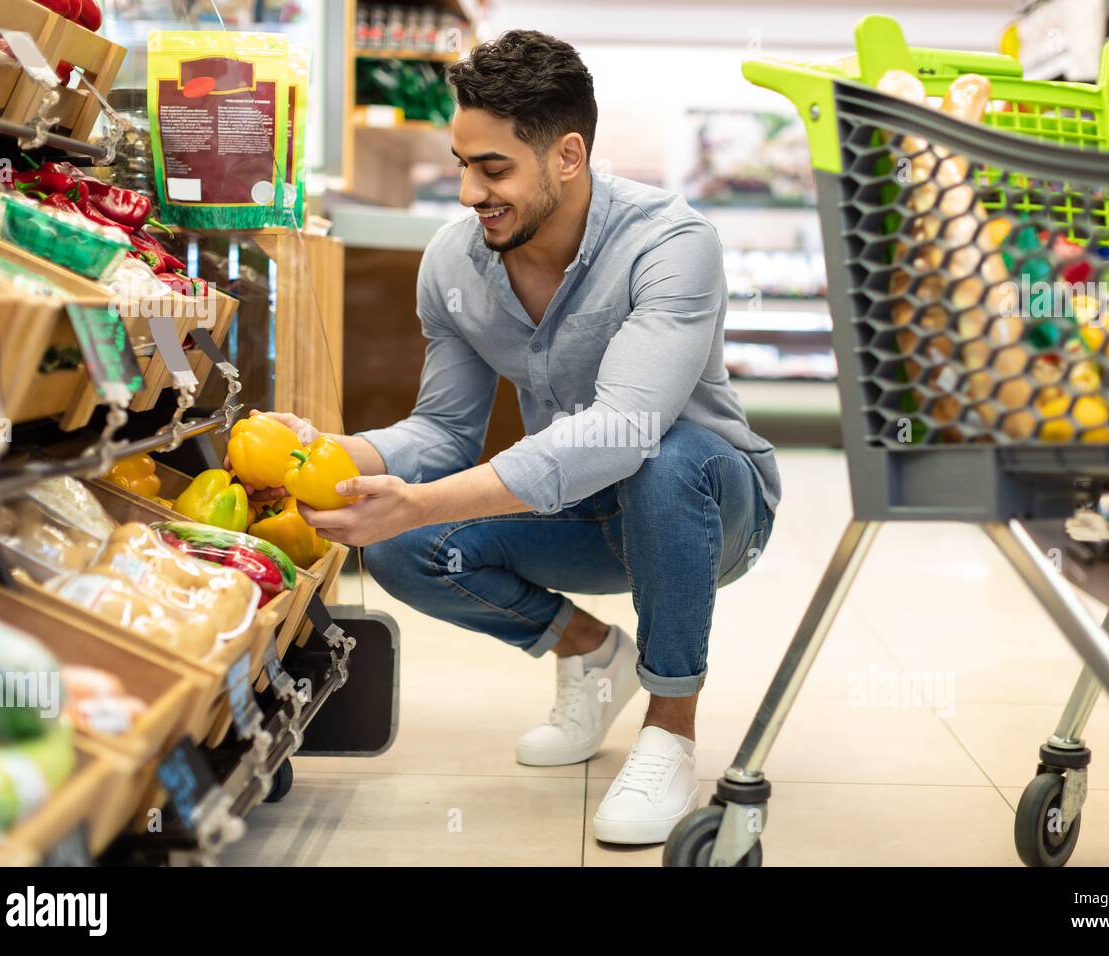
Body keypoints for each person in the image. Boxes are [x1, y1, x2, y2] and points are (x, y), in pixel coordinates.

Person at [254, 30, 779, 845]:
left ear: (567, 156)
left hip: (709, 509)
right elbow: (442, 429)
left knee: (663, 454)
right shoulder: (454, 264)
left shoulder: (670, 243)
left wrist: (421, 500)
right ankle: (592, 653)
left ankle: (669, 729)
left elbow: (623, 430)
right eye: (462, 162)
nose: (469, 191)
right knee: (402, 548)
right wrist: (324, 451)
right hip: (579, 520)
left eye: (492, 168)